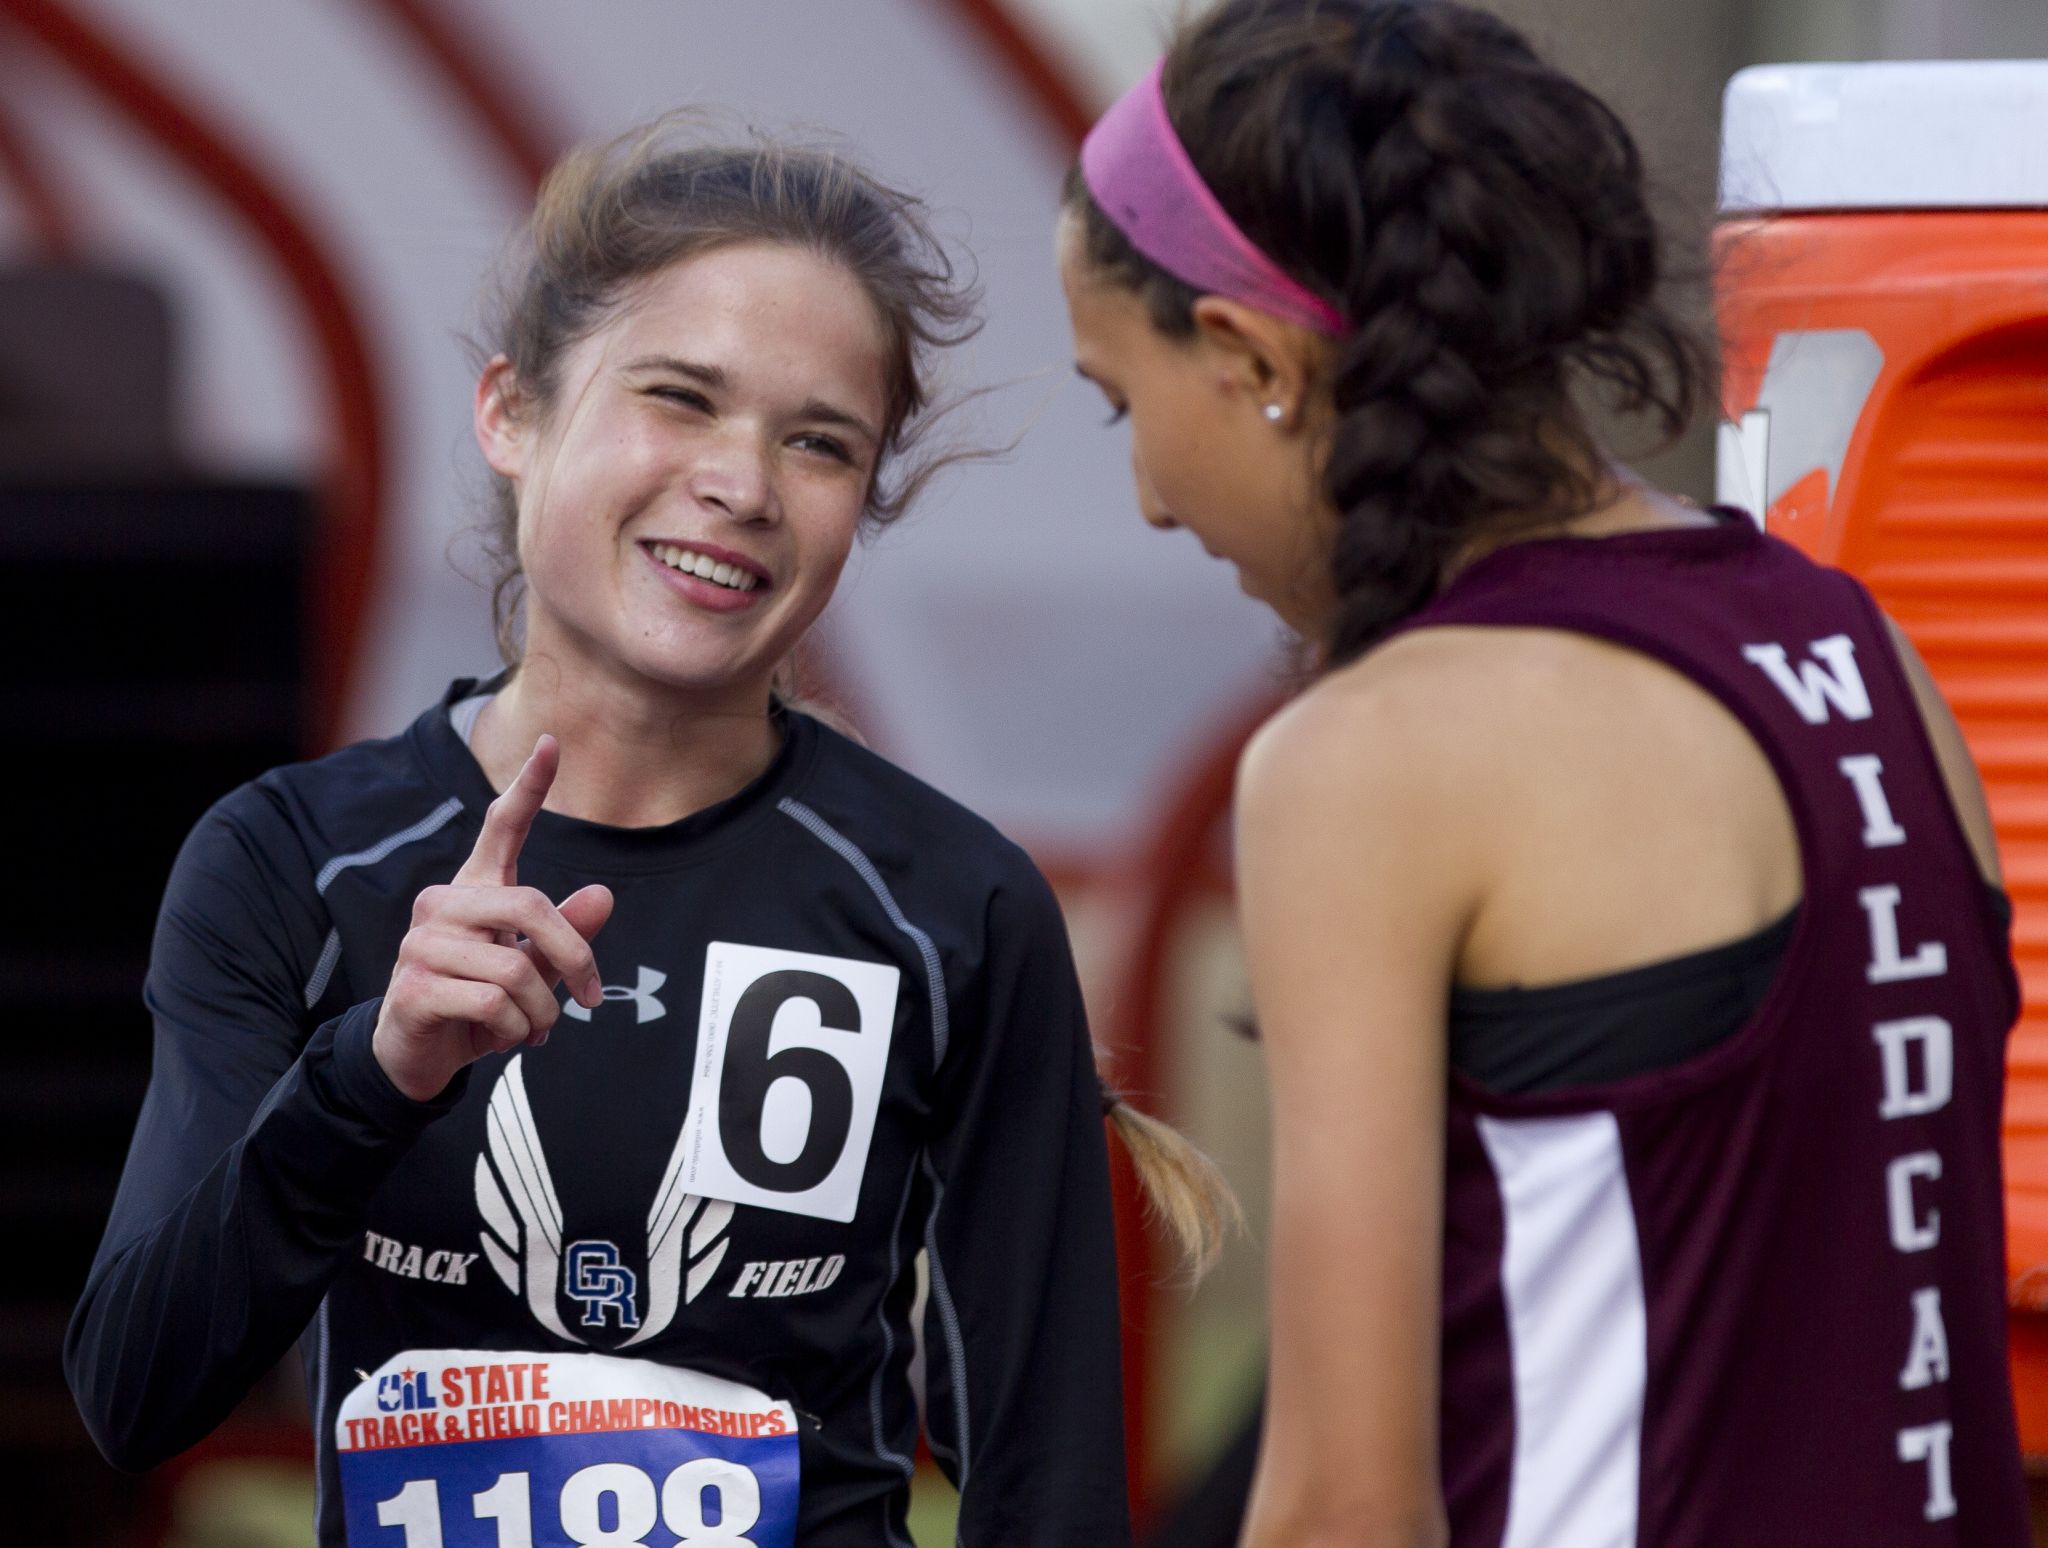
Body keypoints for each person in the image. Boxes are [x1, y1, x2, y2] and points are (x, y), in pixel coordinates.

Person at [67, 120, 1227, 1548]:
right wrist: (374, 1072)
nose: (742, 484)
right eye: (679, 398)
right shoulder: (291, 862)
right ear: (512, 413)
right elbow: (134, 1394)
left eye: (818, 442)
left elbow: (1050, 1485)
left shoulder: (950, 906)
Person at [1056, 2, 2029, 1544]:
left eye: (1121, 403)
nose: (1150, 498)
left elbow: (1343, 1513)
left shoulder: (1376, 757)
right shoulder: (1858, 644)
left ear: (1249, 359)